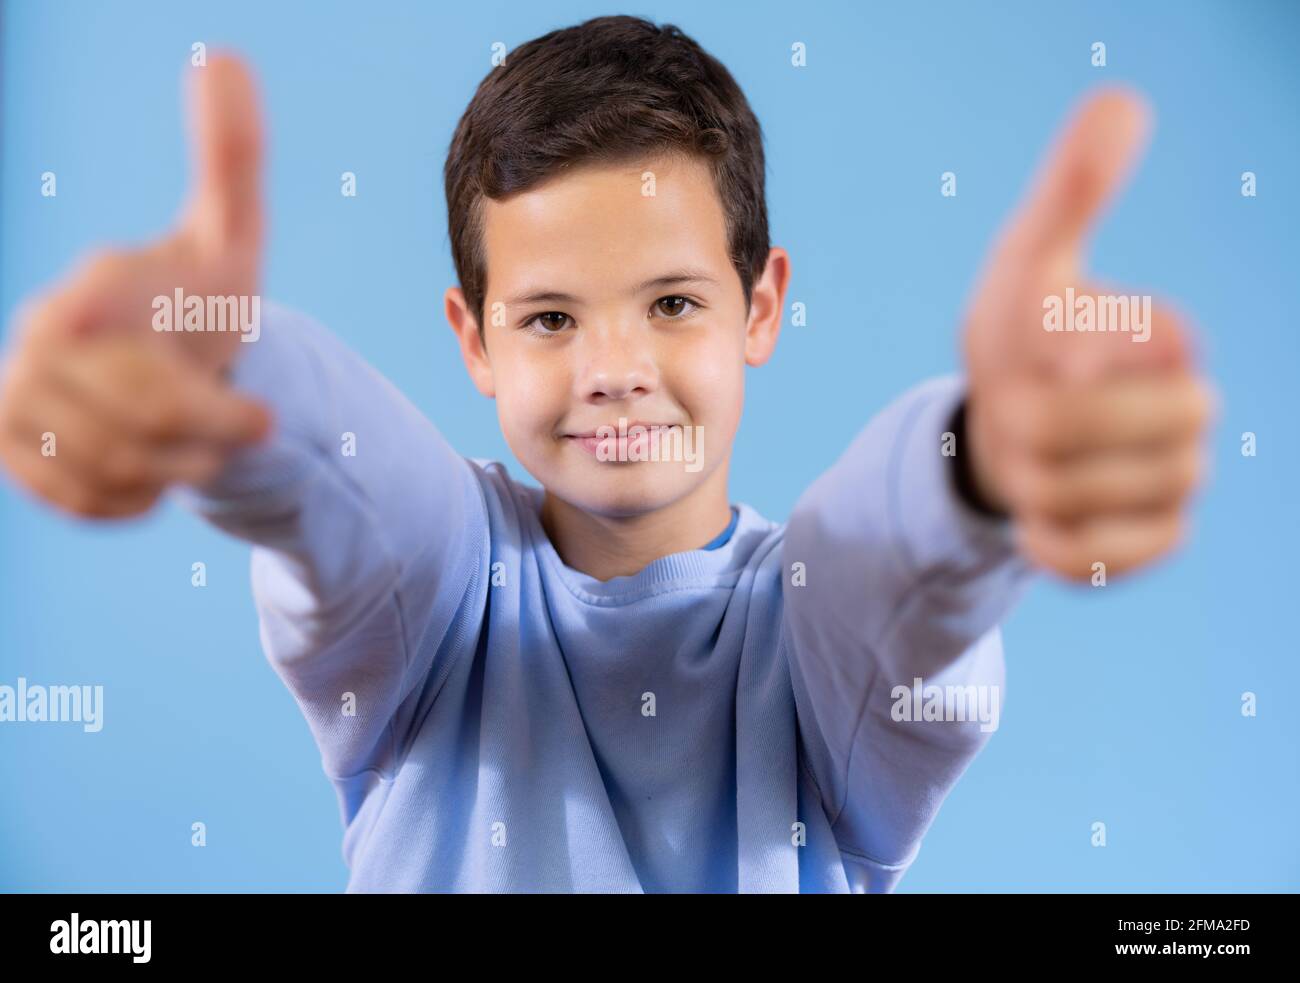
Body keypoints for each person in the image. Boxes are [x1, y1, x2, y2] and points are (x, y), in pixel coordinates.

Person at [0, 16, 1212, 891]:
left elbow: (890, 570)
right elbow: (346, 480)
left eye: (673, 303)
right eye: (550, 317)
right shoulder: (437, 597)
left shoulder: (813, 640)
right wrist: (218, 365)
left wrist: (980, 463)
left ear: (762, 305)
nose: (611, 367)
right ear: (473, 340)